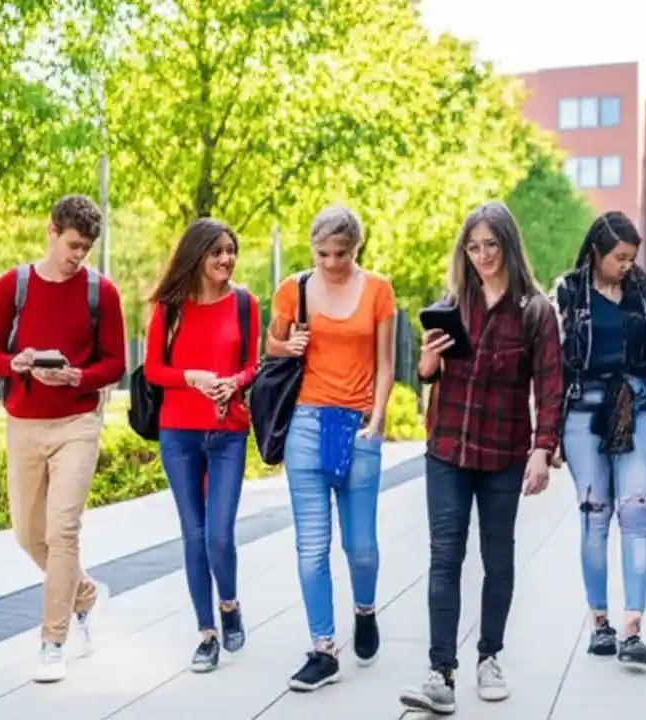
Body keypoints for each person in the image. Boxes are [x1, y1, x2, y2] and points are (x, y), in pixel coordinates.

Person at [398, 201, 562, 716]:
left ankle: (489, 657)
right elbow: (430, 373)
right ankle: (439, 672)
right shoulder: (452, 305)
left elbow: (551, 387)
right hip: (446, 447)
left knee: (498, 558)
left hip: (504, 450)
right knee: (445, 556)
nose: (483, 255)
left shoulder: (535, 311)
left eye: (492, 245)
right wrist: (427, 363)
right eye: (474, 247)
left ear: (509, 245)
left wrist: (543, 449)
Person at [0, 194, 127, 683]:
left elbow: (115, 364)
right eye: (72, 244)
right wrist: (16, 363)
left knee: (62, 531)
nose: (78, 255)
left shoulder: (101, 293)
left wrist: (78, 377)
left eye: (86, 248)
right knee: (27, 534)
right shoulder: (11, 286)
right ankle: (85, 594)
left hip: (78, 424)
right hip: (24, 422)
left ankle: (52, 641)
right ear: (51, 231)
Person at [266, 204, 396, 691]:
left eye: (340, 253)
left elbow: (385, 363)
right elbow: (271, 347)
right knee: (311, 547)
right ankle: (323, 648)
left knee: (360, 546)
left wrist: (379, 417)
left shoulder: (378, 290)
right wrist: (289, 345)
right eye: (322, 253)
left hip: (358, 424)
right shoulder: (293, 289)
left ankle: (365, 609)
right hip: (306, 423)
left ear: (355, 248)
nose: (330, 262)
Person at [142, 218, 261, 671]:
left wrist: (234, 382)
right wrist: (191, 377)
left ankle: (228, 604)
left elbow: (253, 364)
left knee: (219, 533)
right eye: (217, 252)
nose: (227, 259)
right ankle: (206, 632)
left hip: (228, 431)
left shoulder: (246, 304)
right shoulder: (169, 308)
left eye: (231, 250)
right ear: (197, 256)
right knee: (192, 534)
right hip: (179, 433)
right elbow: (153, 370)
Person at [553, 211, 646, 667]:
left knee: (635, 509)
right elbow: (553, 361)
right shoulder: (569, 292)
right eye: (619, 257)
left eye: (632, 258)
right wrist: (547, 434)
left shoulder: (644, 294)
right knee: (595, 513)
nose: (627, 265)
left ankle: (633, 627)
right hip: (582, 411)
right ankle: (600, 622)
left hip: (632, 407)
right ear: (597, 251)